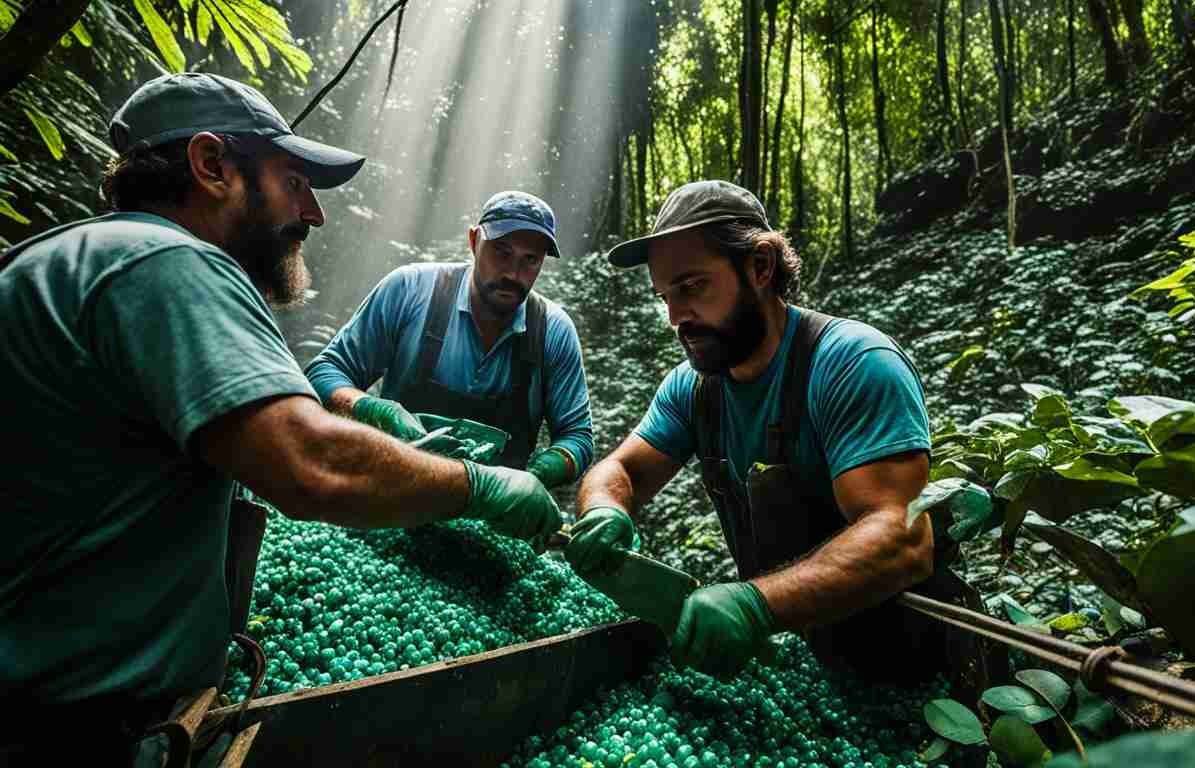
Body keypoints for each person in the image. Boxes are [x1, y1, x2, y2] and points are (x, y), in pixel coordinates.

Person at [0, 72, 561, 764]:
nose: (314, 212)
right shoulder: (167, 263)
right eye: (294, 181)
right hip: (59, 730)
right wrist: (479, 485)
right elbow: (309, 463)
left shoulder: (66, 257)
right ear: (212, 166)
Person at [565, 179, 975, 683]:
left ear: (760, 267)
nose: (676, 317)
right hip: (797, 667)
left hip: (911, 676)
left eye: (693, 287)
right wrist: (605, 506)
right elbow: (621, 468)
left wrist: (755, 604)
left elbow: (902, 538)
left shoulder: (853, 364)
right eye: (665, 297)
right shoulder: (694, 389)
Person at [303, 190, 594, 491]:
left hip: (496, 515)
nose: (513, 273)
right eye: (502, 252)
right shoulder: (411, 291)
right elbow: (324, 371)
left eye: (530, 260)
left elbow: (578, 437)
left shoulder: (553, 331)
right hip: (390, 499)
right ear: (473, 241)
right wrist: (372, 410)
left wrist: (538, 474)